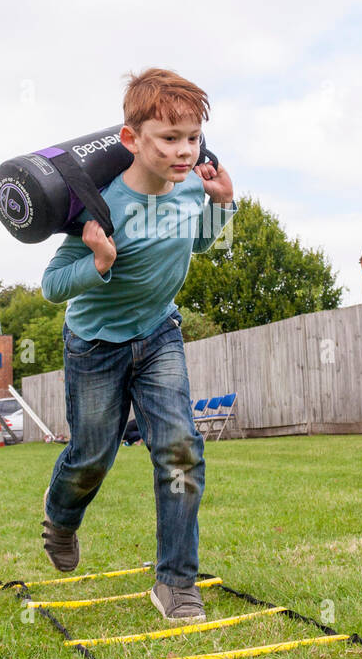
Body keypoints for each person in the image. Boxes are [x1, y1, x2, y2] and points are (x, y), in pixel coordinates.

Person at [41, 68, 236, 623]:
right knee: (91, 458)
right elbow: (52, 285)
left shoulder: (194, 184)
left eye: (193, 137)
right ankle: (60, 518)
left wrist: (223, 204)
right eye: (169, 138)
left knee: (180, 450)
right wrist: (100, 262)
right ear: (131, 139)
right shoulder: (101, 204)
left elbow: (195, 243)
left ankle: (176, 582)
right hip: (95, 345)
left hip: (159, 334)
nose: (184, 151)